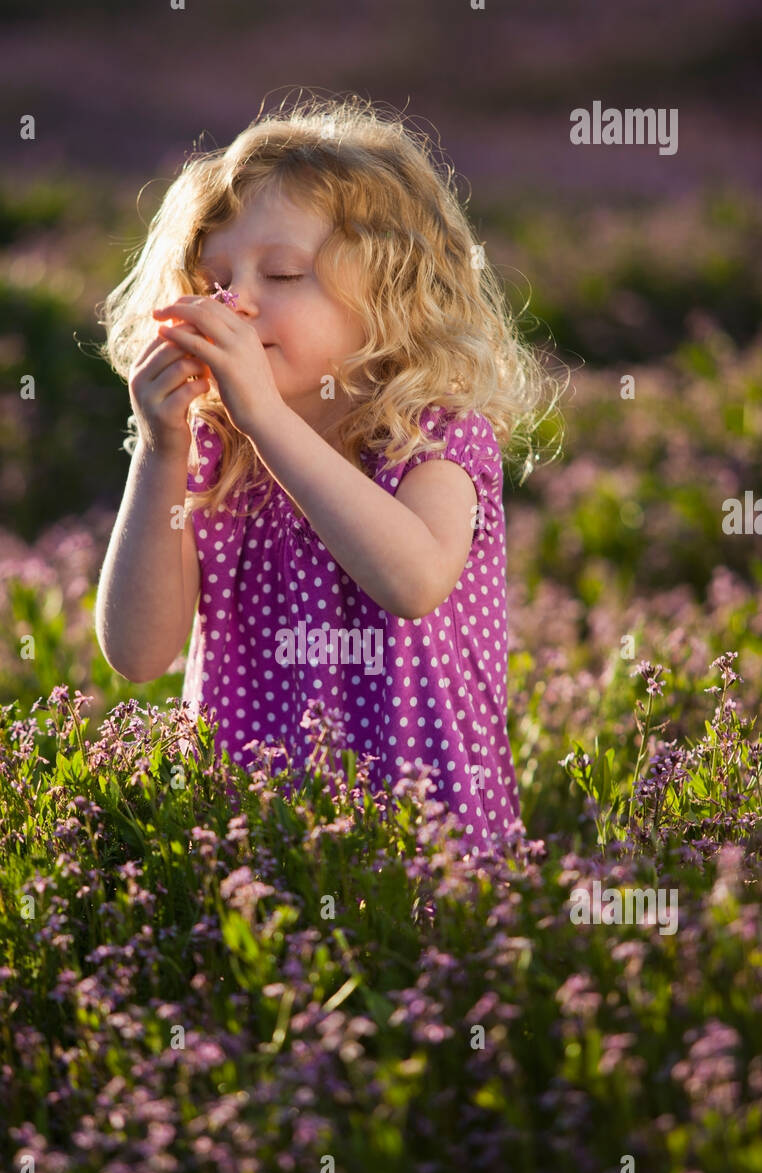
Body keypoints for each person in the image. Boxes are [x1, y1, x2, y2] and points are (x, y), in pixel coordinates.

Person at [96, 94, 561, 856]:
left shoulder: (432, 435)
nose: (235, 302)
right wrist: (159, 451)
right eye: (214, 280)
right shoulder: (216, 454)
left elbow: (411, 581)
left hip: (423, 835)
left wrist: (268, 422)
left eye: (282, 273)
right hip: (253, 834)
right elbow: (139, 654)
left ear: (389, 298)